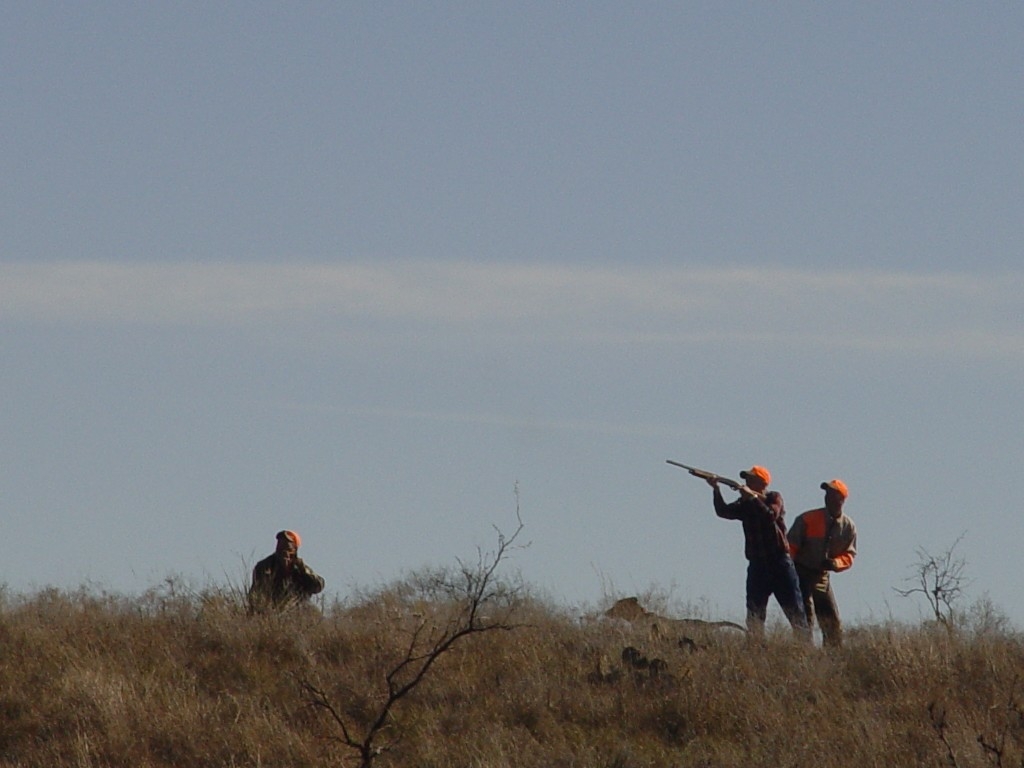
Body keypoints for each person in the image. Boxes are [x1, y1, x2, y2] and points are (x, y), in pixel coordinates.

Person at [707, 465, 809, 640]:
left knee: (795, 612)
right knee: (755, 614)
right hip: (758, 565)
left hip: (779, 563)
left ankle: (805, 650)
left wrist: (752, 498)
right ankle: (756, 648)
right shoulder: (744, 503)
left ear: (761, 482)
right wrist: (715, 489)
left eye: (750, 479)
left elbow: (770, 515)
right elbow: (723, 512)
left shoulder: (773, 497)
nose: (746, 482)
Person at [788, 479, 857, 648]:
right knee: (805, 618)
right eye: (826, 493)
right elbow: (790, 547)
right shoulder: (807, 519)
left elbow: (849, 555)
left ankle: (834, 656)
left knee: (831, 620)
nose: (827, 497)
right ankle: (803, 652)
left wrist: (835, 563)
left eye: (832, 494)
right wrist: (789, 573)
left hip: (822, 577)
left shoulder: (848, 527)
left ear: (841, 499)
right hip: (801, 572)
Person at [248, 529, 325, 612]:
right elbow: (255, 594)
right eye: (280, 546)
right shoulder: (265, 566)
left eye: (287, 547)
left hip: (297, 615)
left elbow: (318, 586)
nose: (283, 551)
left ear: (294, 550)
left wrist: (302, 570)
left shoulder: (300, 569)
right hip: (270, 614)